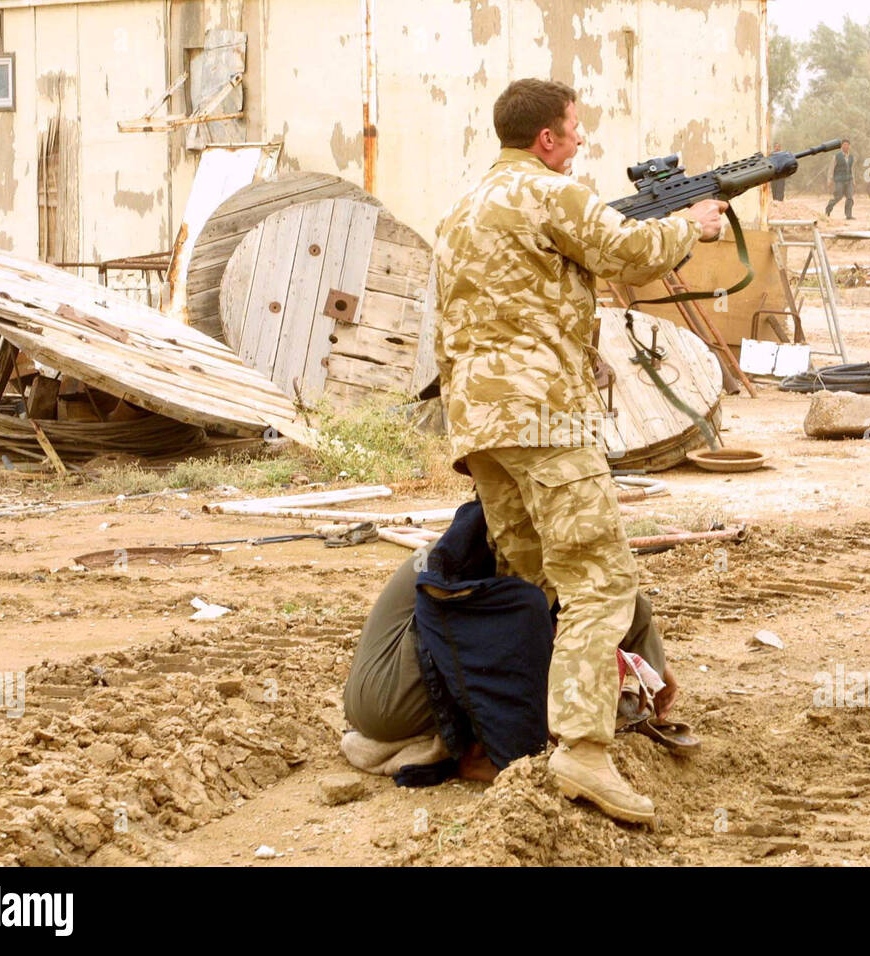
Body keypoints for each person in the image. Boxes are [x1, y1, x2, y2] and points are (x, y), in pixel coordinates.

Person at [432, 78, 724, 826]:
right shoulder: (551, 192)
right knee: (599, 580)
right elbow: (628, 254)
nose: (583, 142)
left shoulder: (463, 209)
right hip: (544, 417)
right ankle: (583, 751)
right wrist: (693, 223)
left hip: (480, 423)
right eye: (575, 129)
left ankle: (518, 735)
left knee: (534, 582)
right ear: (546, 140)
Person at [341, 544, 681, 784]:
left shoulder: (497, 542)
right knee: (523, 624)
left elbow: (615, 595)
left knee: (547, 618)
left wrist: (653, 664)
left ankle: (487, 746)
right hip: (390, 700)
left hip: (372, 698)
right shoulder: (494, 557)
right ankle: (482, 758)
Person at [824, 138, 855, 219]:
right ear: (841, 146)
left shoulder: (851, 157)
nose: (846, 146)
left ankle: (848, 215)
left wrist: (853, 180)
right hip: (839, 180)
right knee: (838, 197)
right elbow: (831, 168)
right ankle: (828, 210)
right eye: (844, 145)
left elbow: (851, 169)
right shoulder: (837, 156)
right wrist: (829, 180)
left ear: (849, 146)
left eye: (847, 145)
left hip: (849, 180)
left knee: (850, 198)